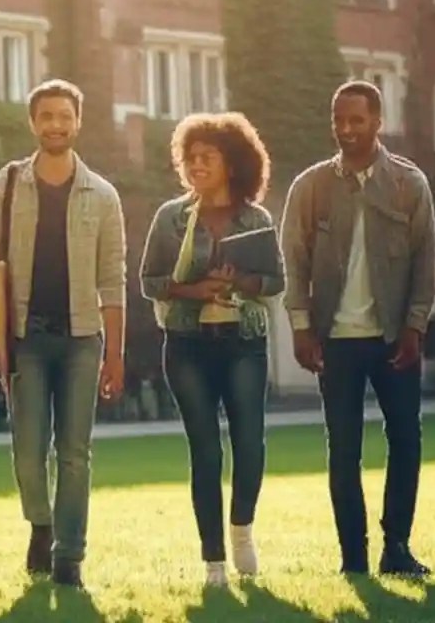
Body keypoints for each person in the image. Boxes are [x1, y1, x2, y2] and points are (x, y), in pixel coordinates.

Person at [0, 79, 126, 588]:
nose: (56, 125)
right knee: (28, 451)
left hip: (82, 340)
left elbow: (112, 279)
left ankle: (69, 555)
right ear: (33, 123)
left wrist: (115, 353)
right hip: (24, 339)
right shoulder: (7, 184)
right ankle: (41, 524)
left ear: (78, 122)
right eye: (47, 116)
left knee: (75, 452)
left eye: (65, 116)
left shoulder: (102, 195)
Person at [280, 80, 435, 577]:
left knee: (406, 441)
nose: (346, 129)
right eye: (339, 120)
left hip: (393, 338)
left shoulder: (409, 184)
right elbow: (294, 261)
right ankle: (353, 558)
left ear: (377, 121)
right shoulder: (310, 187)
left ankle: (398, 548)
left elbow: (425, 262)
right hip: (335, 340)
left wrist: (414, 327)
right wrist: (302, 328)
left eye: (357, 120)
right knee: (344, 450)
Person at [138, 112, 284, 586]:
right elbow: (148, 281)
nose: (197, 165)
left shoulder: (256, 219)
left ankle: (241, 529)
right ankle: (214, 560)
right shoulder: (171, 217)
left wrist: (241, 281)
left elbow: (275, 281)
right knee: (205, 451)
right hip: (187, 345)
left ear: (233, 163)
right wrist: (193, 290)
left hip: (243, 343)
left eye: (208, 157)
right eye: (191, 157)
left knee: (250, 444)